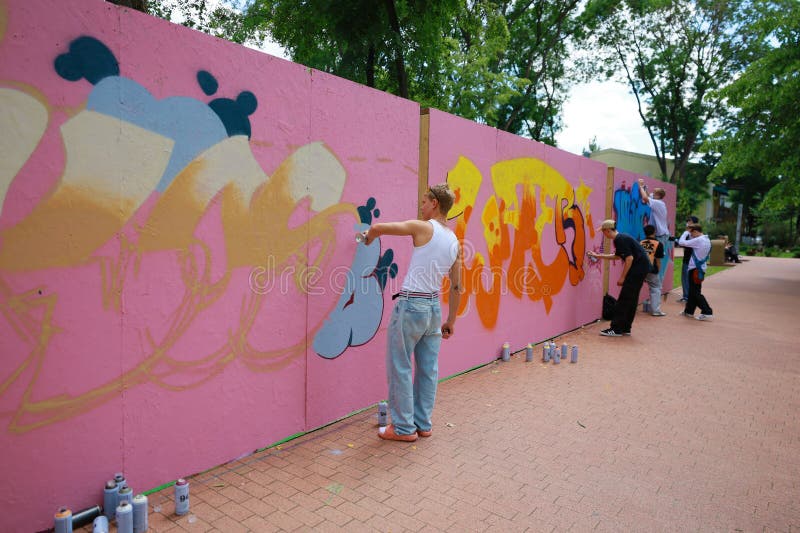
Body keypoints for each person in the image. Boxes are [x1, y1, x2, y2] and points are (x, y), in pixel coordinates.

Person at [362, 184, 462, 442]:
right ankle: (422, 424)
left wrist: (368, 237)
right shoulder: (454, 241)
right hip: (434, 309)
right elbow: (457, 286)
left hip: (411, 305)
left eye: (424, 202)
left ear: (435, 203)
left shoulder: (423, 227)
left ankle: (403, 428)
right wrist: (451, 320)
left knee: (400, 365)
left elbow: (379, 227)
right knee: (428, 369)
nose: (421, 206)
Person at [588, 219, 651, 336]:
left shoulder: (619, 239)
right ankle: (626, 327)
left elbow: (629, 258)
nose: (604, 234)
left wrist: (623, 277)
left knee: (624, 299)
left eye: (603, 231)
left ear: (608, 230)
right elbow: (617, 256)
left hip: (637, 270)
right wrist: (598, 255)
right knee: (631, 299)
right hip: (642, 269)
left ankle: (616, 329)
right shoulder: (622, 238)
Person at [678, 223, 713, 320]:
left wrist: (685, 232)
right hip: (700, 268)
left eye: (691, 233)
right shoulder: (707, 240)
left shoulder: (699, 240)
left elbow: (681, 242)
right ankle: (689, 311)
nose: (691, 236)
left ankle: (707, 312)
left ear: (696, 231)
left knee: (695, 292)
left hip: (694, 269)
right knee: (693, 291)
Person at [637, 179, 670, 281]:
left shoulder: (658, 203)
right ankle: (653, 278)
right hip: (659, 235)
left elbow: (645, 198)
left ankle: (656, 281)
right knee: (653, 256)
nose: (652, 193)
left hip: (660, 236)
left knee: (657, 258)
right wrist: (644, 187)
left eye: (654, 193)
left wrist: (641, 187)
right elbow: (648, 196)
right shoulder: (657, 201)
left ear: (658, 196)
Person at [640, 224, 666, 316]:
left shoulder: (641, 242)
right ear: (654, 232)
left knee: (636, 288)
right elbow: (658, 260)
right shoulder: (658, 244)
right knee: (655, 288)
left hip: (640, 269)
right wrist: (658, 270)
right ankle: (656, 311)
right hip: (652, 269)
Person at [676, 215, 699, 302]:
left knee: (686, 278)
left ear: (693, 223)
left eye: (689, 221)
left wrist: (686, 232)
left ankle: (687, 297)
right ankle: (688, 296)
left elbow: (682, 243)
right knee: (688, 278)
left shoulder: (690, 233)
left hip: (689, 259)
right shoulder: (696, 233)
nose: (687, 223)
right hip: (691, 258)